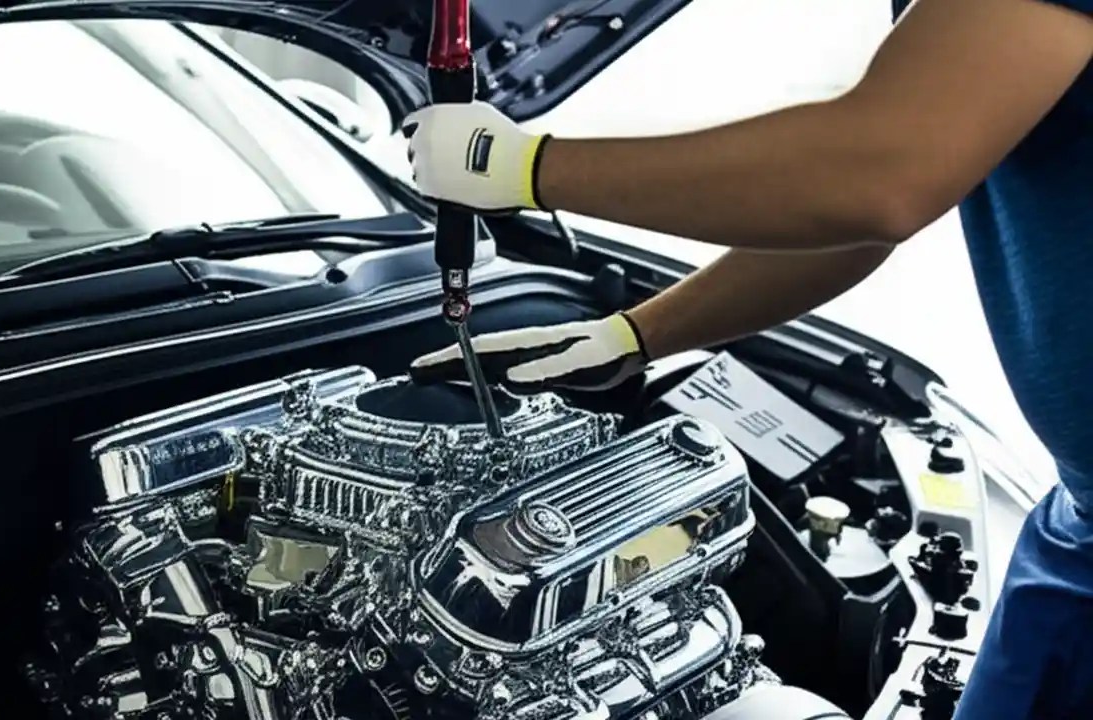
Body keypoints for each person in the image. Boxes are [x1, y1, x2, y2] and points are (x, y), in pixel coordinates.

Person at [401, 0, 1093, 717]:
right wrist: (634, 336)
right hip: (1075, 529)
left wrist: (523, 167)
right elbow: (853, 221)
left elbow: (881, 171)